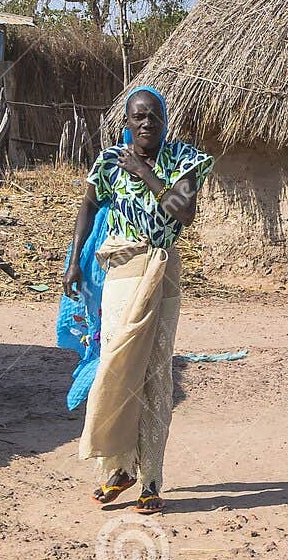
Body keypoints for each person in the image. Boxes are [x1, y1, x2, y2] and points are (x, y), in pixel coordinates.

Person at [58, 85, 213, 515]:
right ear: (126, 122)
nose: (147, 123)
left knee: (155, 373)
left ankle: (151, 479)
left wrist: (144, 172)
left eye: (154, 116)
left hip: (160, 269)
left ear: (165, 121)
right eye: (139, 117)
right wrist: (74, 261)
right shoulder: (110, 161)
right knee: (117, 367)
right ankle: (118, 468)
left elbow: (183, 211)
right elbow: (88, 207)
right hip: (120, 271)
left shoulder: (184, 159)